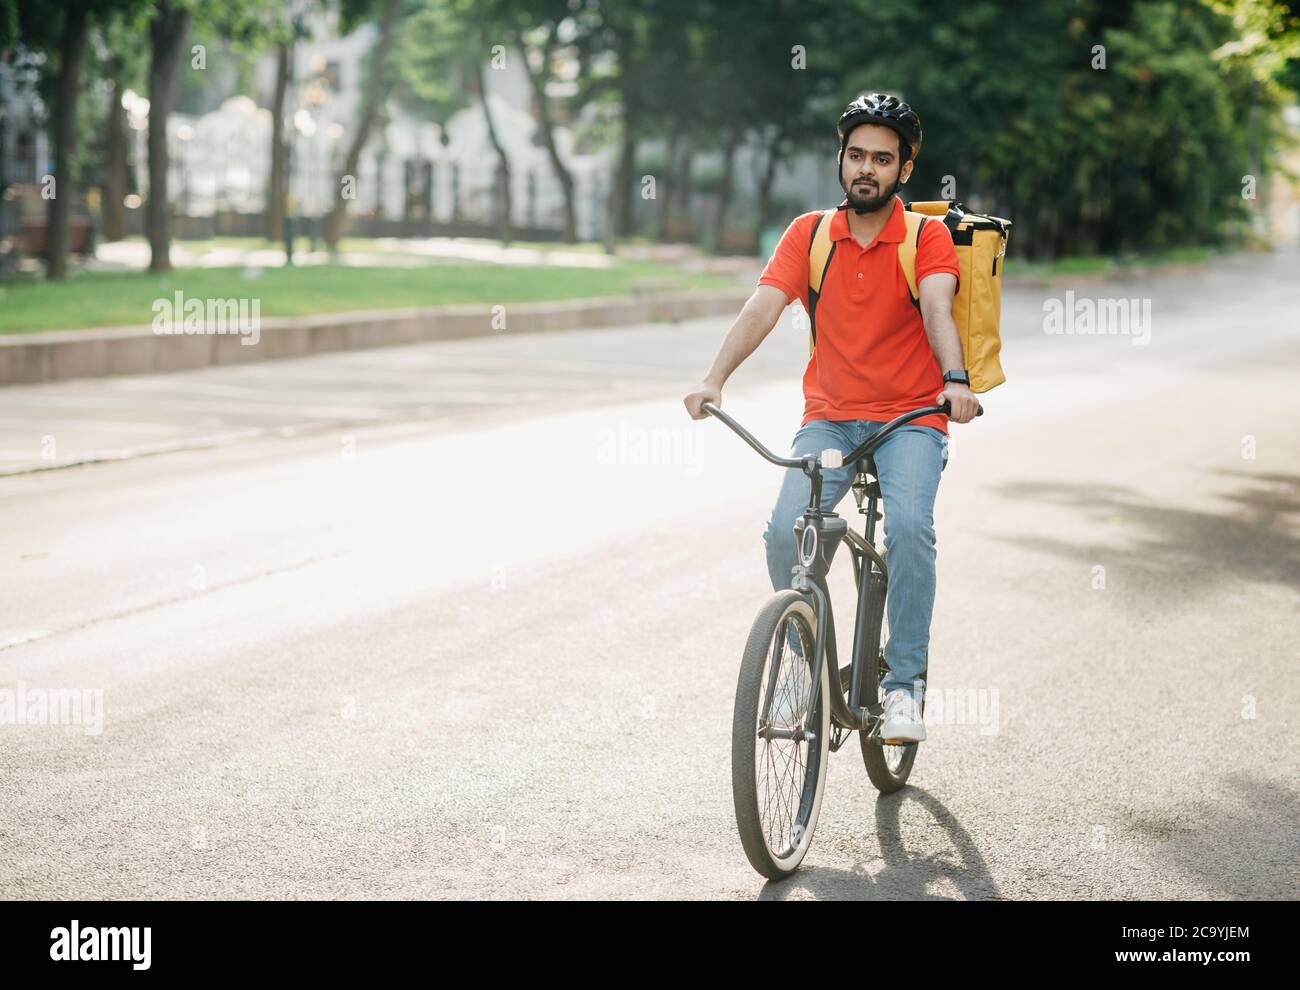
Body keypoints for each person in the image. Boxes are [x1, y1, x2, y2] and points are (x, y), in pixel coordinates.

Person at [682, 93, 980, 743]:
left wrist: (954, 381)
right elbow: (762, 307)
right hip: (830, 419)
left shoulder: (926, 238)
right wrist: (714, 377)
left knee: (906, 527)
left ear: (905, 170)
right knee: (785, 534)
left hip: (910, 419)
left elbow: (937, 309)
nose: (866, 168)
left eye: (882, 158)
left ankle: (903, 688)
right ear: (840, 161)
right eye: (856, 155)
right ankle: (797, 673)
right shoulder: (810, 235)